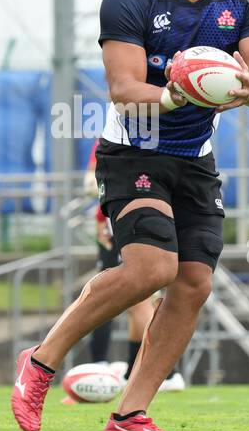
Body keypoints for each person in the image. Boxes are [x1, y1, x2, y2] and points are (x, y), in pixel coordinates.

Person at [11, 0, 249, 431]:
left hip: (196, 158)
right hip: (133, 149)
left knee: (194, 283)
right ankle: (41, 361)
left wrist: (247, 87)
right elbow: (123, 86)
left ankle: (130, 416)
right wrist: (177, 93)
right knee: (151, 269)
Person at [73, 140, 182, 395]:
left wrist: (101, 216)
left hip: (136, 220)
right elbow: (100, 179)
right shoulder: (115, 135)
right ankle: (138, 369)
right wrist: (100, 218)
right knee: (131, 300)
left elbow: (122, 180)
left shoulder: (151, 135)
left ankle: (162, 372)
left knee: (138, 301)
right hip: (120, 221)